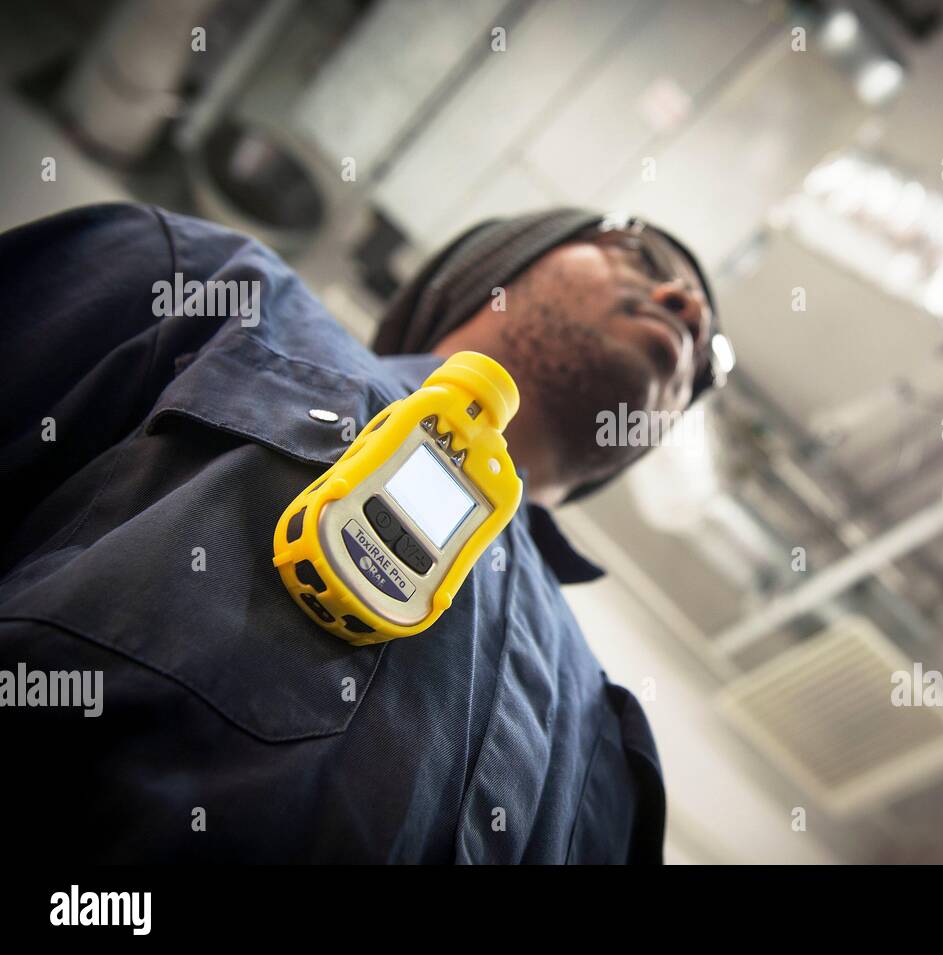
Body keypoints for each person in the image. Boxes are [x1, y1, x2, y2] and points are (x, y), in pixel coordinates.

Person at [0, 202, 727, 863]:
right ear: (498, 266)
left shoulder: (612, 756)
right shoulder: (213, 289)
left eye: (705, 363)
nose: (687, 309)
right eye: (645, 256)